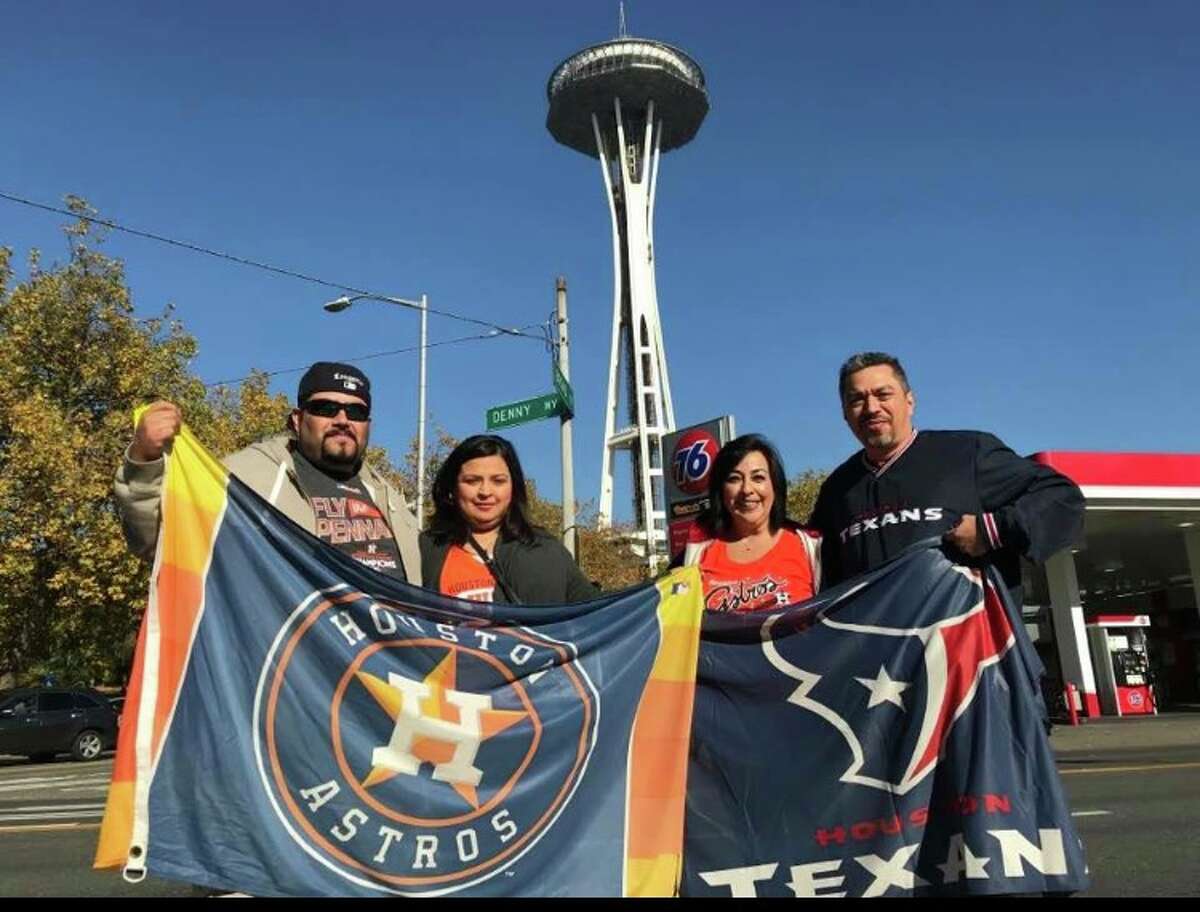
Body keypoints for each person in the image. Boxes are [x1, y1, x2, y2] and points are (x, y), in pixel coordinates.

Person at [807, 351, 1084, 604]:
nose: (871, 408)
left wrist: (992, 530)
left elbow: (1062, 497)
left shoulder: (966, 452)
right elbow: (817, 579)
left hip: (967, 652)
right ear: (844, 414)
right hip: (881, 655)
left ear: (909, 401)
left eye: (883, 394)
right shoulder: (837, 489)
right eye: (857, 399)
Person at [113, 361, 422, 585]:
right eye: (326, 409)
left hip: (384, 667)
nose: (342, 419)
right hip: (297, 666)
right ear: (298, 420)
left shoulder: (391, 498)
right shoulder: (244, 476)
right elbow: (158, 539)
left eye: (356, 412)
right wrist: (144, 457)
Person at [420, 435, 598, 605]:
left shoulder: (547, 551)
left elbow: (598, 615)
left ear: (514, 488)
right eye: (472, 481)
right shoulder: (424, 550)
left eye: (498, 481)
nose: (485, 492)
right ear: (452, 488)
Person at [679, 434, 821, 613]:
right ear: (720, 491)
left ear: (775, 486)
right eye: (734, 479)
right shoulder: (696, 554)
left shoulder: (810, 547)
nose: (747, 489)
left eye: (758, 478)